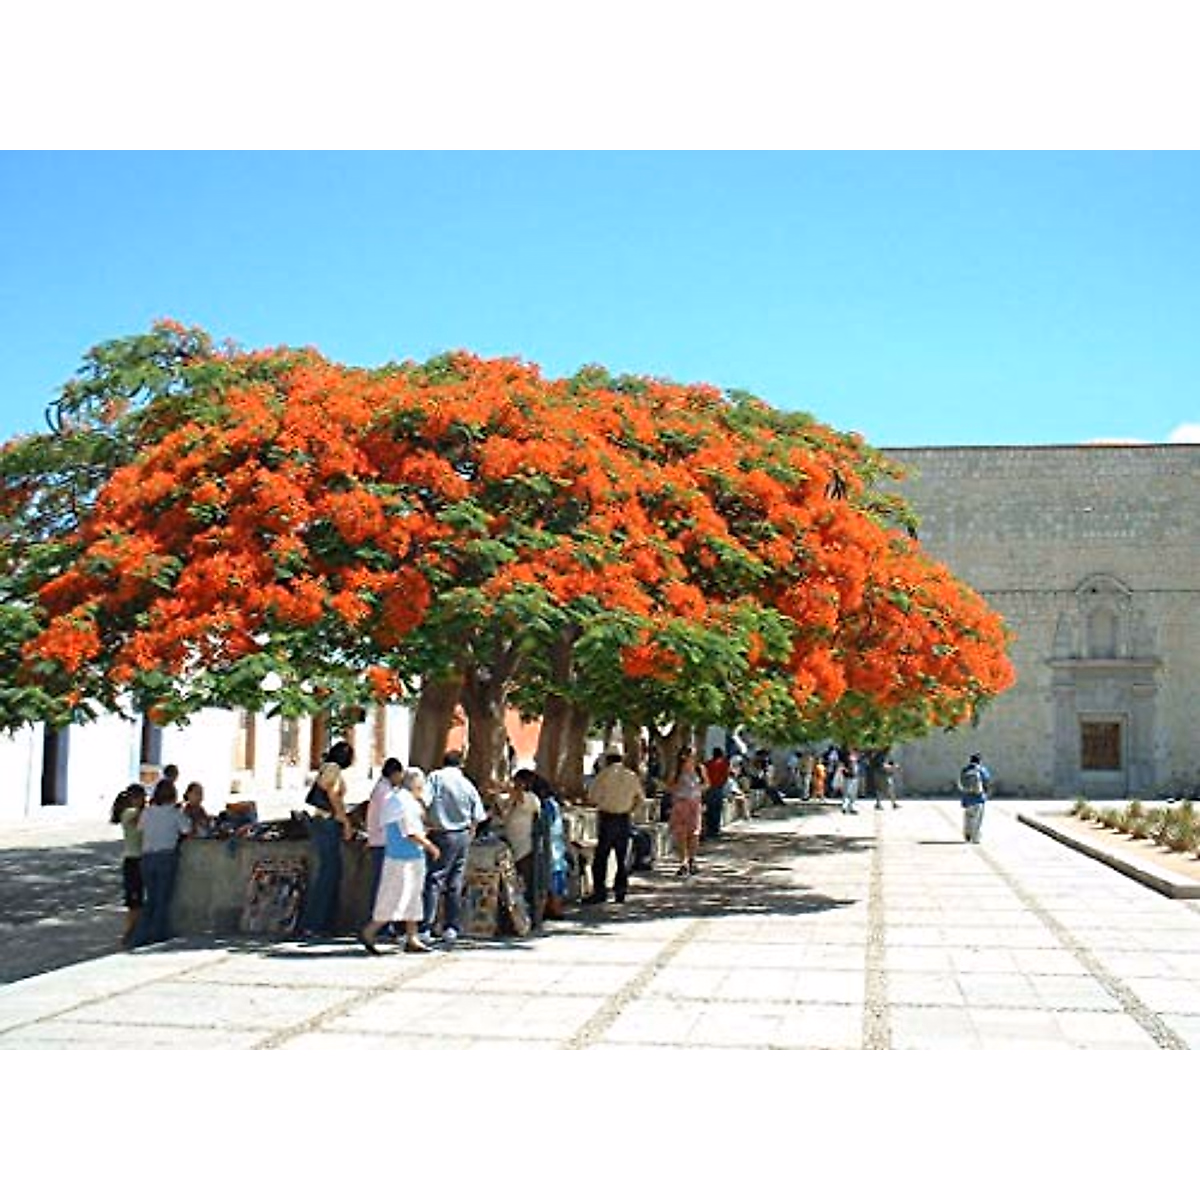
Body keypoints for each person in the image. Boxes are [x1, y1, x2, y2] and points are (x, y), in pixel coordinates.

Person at [360, 767, 441, 955]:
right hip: (404, 858)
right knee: (396, 896)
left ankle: (412, 937)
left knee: (411, 896)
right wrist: (430, 846)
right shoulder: (404, 802)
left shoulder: (399, 800)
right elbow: (410, 831)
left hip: (405, 856)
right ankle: (370, 931)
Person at [420, 750, 486, 949]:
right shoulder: (467, 784)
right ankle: (451, 927)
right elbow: (478, 815)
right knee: (455, 882)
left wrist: (425, 823)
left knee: (434, 879)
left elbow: (424, 800)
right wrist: (470, 834)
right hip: (462, 834)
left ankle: (426, 927)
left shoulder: (435, 778)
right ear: (460, 764)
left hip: (441, 833)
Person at [298, 740, 355, 938]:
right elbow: (333, 794)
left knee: (329, 873)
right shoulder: (333, 769)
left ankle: (322, 922)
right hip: (327, 823)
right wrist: (345, 822)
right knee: (328, 875)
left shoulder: (326, 767)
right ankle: (315, 923)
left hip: (321, 823)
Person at [129, 779, 190, 948]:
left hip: (147, 858)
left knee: (151, 898)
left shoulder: (147, 813)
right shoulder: (175, 813)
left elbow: (140, 829)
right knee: (162, 898)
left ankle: (140, 935)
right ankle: (158, 934)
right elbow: (187, 829)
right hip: (166, 857)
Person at [582, 747, 645, 905]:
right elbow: (640, 798)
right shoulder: (631, 776)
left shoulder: (602, 775)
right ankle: (620, 890)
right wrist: (630, 810)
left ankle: (600, 891)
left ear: (607, 759)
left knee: (601, 857)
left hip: (607, 817)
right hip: (624, 818)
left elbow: (592, 797)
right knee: (621, 857)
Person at [365, 757, 406, 933]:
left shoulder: (382, 790)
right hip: (383, 842)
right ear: (395, 773)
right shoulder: (385, 793)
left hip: (378, 840)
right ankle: (381, 926)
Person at [496, 774, 542, 907]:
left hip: (525, 845)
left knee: (526, 878)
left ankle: (531, 907)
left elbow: (521, 798)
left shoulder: (531, 798)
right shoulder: (511, 798)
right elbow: (502, 812)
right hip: (512, 842)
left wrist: (505, 788)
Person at [111, 783, 146, 946]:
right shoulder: (130, 814)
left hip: (135, 859)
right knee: (135, 903)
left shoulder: (133, 813)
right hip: (134, 860)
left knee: (136, 901)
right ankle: (128, 935)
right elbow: (140, 820)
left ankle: (133, 933)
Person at [667, 747, 704, 877]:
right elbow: (670, 786)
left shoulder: (699, 769)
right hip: (681, 805)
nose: (693, 758)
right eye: (691, 755)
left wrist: (697, 791)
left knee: (694, 834)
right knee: (681, 834)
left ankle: (692, 860)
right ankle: (683, 862)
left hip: (694, 804)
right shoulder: (676, 771)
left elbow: (707, 784)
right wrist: (678, 791)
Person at [959, 753, 991, 843]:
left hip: (967, 798)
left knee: (968, 817)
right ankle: (976, 837)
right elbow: (987, 782)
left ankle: (967, 834)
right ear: (979, 761)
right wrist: (986, 793)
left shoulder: (965, 770)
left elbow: (961, 783)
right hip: (979, 798)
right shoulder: (982, 770)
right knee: (977, 819)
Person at [702, 746, 731, 840]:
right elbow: (725, 777)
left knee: (709, 810)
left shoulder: (707, 764)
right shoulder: (725, 763)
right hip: (718, 789)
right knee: (717, 810)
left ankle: (709, 830)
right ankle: (715, 830)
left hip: (708, 789)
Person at [840, 748, 861, 814]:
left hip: (855, 778)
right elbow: (841, 767)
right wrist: (845, 771)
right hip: (848, 778)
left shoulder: (856, 759)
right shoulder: (846, 759)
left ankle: (851, 807)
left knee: (853, 794)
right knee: (847, 793)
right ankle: (844, 807)